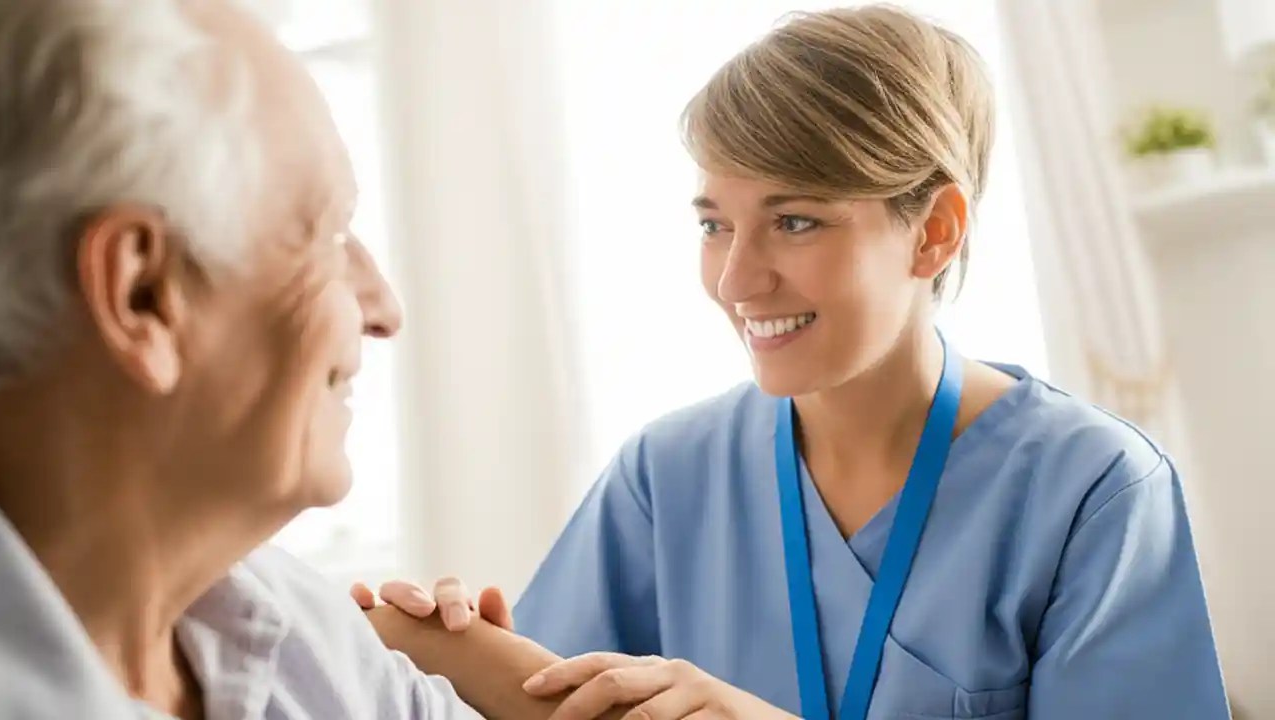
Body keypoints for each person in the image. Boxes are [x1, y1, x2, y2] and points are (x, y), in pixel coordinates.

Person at [370, 6, 1230, 719]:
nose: (736, 279)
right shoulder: (667, 477)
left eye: (795, 221)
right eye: (714, 225)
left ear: (934, 231)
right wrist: (445, 654)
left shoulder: (1092, 491)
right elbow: (558, 704)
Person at [0, 1, 617, 718]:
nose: (383, 309)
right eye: (328, 236)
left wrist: (478, 667)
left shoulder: (287, 625)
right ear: (143, 295)